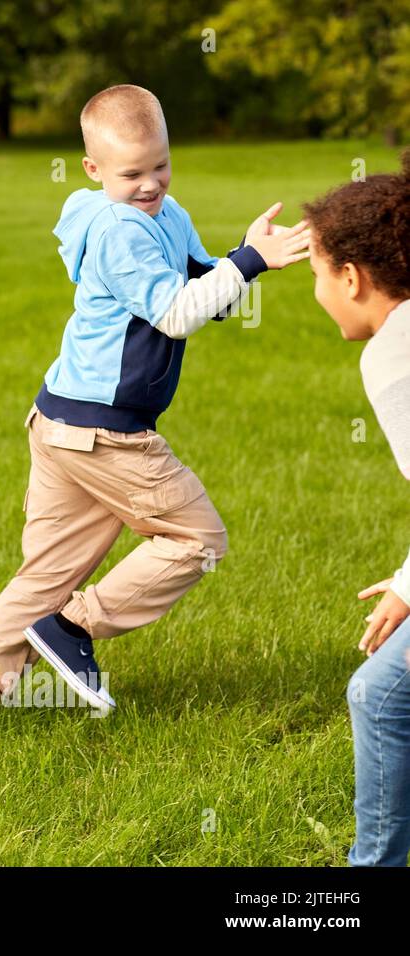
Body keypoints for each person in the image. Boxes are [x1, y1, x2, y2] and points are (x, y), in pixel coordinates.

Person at [0, 84, 309, 714]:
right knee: (196, 540)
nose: (150, 184)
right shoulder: (116, 230)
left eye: (160, 166)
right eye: (131, 173)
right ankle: (71, 627)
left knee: (47, 572)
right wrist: (249, 262)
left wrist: (242, 261)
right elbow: (175, 314)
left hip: (62, 420)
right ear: (93, 170)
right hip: (104, 432)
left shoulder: (167, 214)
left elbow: (202, 292)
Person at [303, 151, 410, 865]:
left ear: (352, 276)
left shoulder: (395, 356)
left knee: (381, 695)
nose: (317, 292)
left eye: (317, 275)